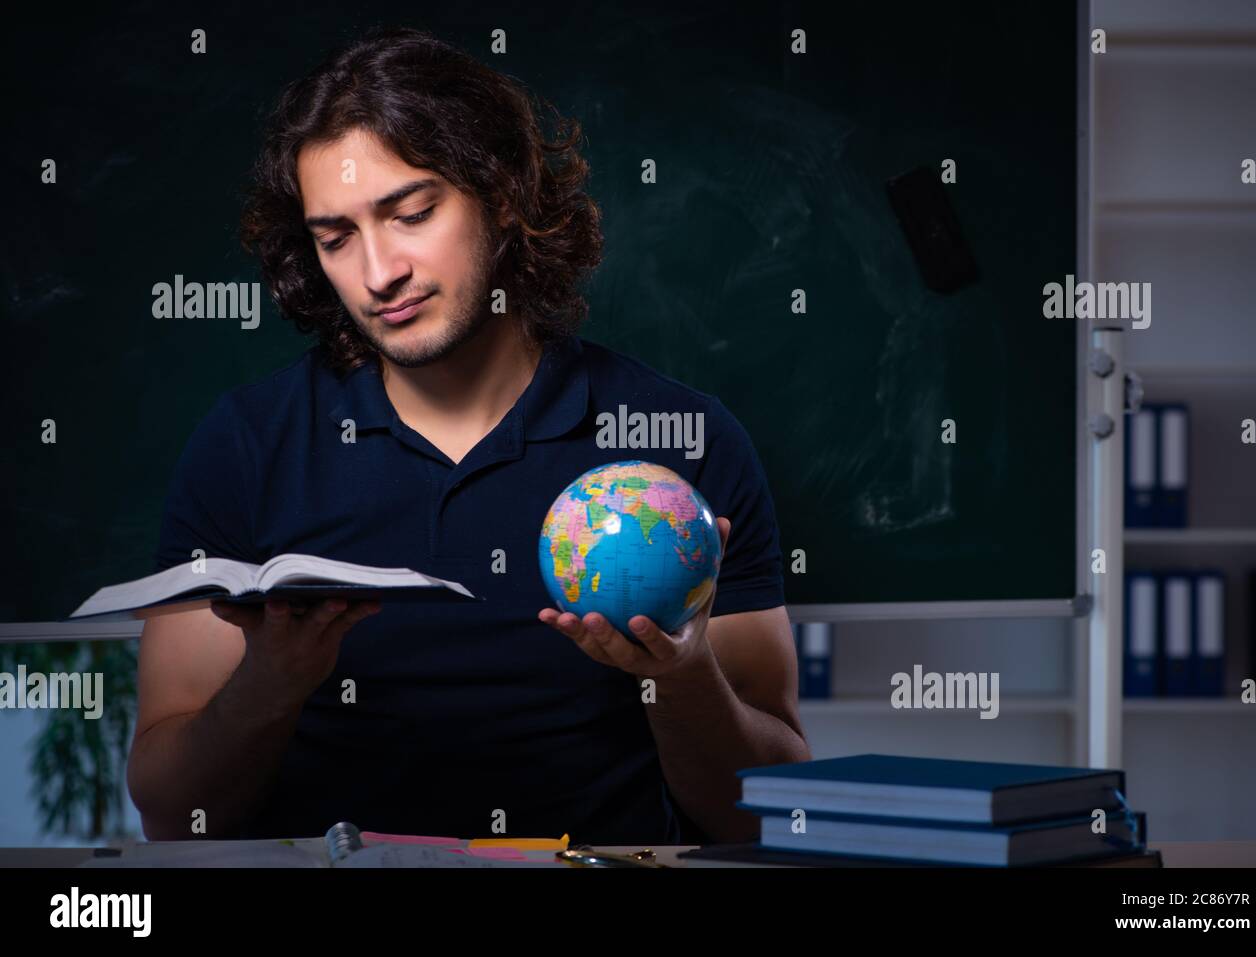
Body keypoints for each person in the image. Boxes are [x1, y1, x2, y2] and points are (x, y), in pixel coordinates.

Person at [126, 26, 809, 846]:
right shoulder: (245, 447)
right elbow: (171, 813)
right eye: (336, 237)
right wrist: (271, 682)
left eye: (411, 213)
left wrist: (684, 674)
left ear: (502, 193)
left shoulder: (683, 446)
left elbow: (767, 813)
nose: (379, 273)